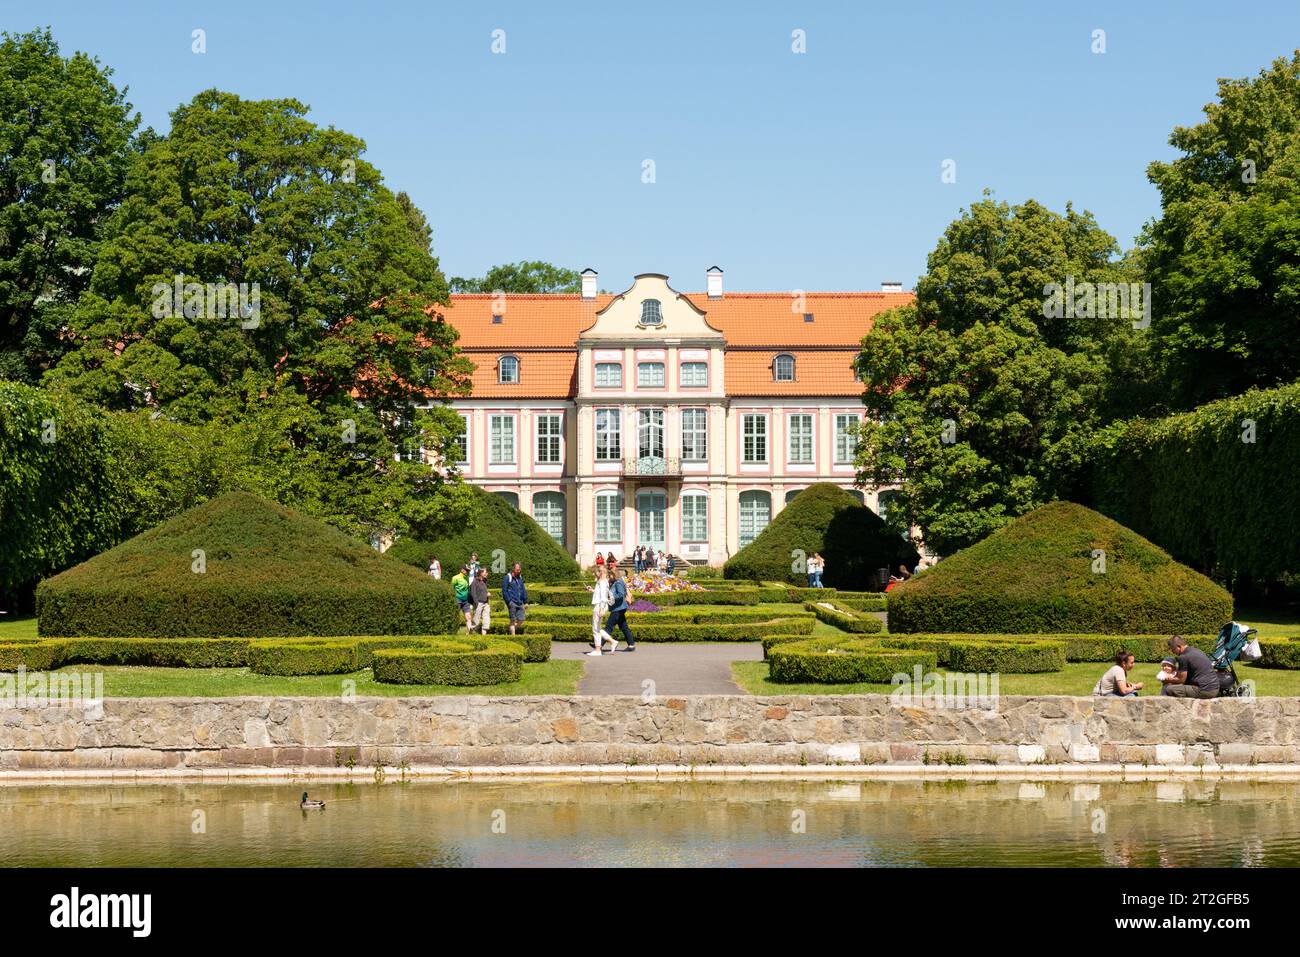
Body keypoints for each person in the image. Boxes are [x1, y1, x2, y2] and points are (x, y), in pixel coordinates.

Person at [586, 566, 615, 656]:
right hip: (600, 605)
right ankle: (600, 647)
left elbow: (603, 597)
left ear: (601, 572)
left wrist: (602, 608)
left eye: (596, 573)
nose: (595, 574)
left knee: (595, 629)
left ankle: (598, 650)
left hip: (599, 606)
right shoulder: (602, 582)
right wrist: (593, 590)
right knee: (597, 628)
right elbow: (601, 594)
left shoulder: (602, 582)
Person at [604, 566, 635, 652]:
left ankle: (598, 645)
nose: (608, 577)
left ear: (614, 575)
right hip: (619, 608)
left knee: (608, 627)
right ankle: (631, 645)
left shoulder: (618, 583)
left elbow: (621, 594)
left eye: (609, 575)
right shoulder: (616, 582)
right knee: (624, 626)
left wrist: (611, 598)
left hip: (618, 608)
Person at [502, 562, 529, 636]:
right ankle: (513, 636)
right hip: (512, 602)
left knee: (521, 619)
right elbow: (504, 590)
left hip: (519, 602)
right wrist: (509, 601)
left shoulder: (520, 577)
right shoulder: (508, 577)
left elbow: (523, 590)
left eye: (519, 569)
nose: (519, 571)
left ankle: (511, 629)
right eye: (517, 569)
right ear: (513, 569)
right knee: (513, 620)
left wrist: (526, 601)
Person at [450, 565, 473, 632]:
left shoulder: (467, 578)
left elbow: (468, 589)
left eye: (468, 571)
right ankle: (453, 631)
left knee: (468, 617)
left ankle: (469, 633)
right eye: (466, 570)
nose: (467, 572)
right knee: (455, 616)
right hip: (458, 599)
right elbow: (452, 588)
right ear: (462, 570)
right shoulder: (455, 578)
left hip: (466, 601)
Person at [469, 567, 491, 635]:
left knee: (486, 620)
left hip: (486, 603)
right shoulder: (474, 582)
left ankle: (483, 637)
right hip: (479, 603)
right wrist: (476, 603)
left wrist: (487, 594)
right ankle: (470, 633)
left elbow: (483, 591)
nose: (486, 573)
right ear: (481, 573)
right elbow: (473, 593)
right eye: (485, 572)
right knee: (476, 621)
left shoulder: (485, 581)